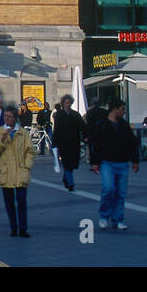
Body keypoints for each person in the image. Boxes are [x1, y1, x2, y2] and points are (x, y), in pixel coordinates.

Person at [89, 98, 139, 230]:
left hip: (122, 162)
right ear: (115, 109)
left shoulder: (124, 125)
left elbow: (132, 143)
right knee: (108, 188)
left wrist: (135, 160)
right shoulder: (102, 124)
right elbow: (96, 144)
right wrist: (95, 162)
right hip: (107, 162)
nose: (124, 112)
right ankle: (104, 216)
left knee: (121, 192)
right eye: (122, 109)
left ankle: (118, 219)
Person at [0, 106, 36, 237]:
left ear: (15, 118)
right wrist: (2, 141)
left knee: (21, 201)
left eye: (10, 117)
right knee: (9, 202)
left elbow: (30, 151)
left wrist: (27, 166)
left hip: (20, 171)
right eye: (5, 116)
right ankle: (13, 227)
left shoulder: (22, 132)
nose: (7, 119)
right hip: (6, 171)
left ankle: (23, 228)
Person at [51, 94, 87, 191]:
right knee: (66, 163)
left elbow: (82, 126)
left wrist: (86, 136)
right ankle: (71, 184)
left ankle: (66, 178)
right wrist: (54, 144)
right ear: (63, 103)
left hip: (74, 142)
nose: (68, 104)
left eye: (69, 103)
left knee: (72, 163)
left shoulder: (75, 114)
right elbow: (56, 130)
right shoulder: (59, 115)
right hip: (63, 143)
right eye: (66, 103)